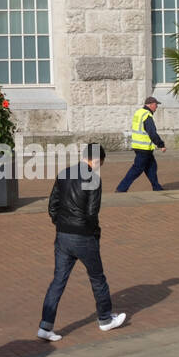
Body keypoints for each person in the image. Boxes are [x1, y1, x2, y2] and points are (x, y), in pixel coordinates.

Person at [38, 143, 126, 341]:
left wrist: (60, 224)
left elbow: (53, 205)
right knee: (97, 278)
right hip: (83, 236)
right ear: (96, 160)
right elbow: (92, 213)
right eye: (100, 163)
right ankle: (105, 319)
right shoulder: (93, 178)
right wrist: (93, 233)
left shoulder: (64, 173)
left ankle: (45, 326)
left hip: (62, 235)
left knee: (58, 281)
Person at [116, 96, 165, 192]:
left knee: (151, 167)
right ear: (150, 104)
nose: (156, 107)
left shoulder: (139, 113)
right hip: (144, 147)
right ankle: (121, 188)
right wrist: (161, 144)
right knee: (137, 169)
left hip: (138, 146)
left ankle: (157, 187)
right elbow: (152, 133)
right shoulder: (147, 115)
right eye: (156, 105)